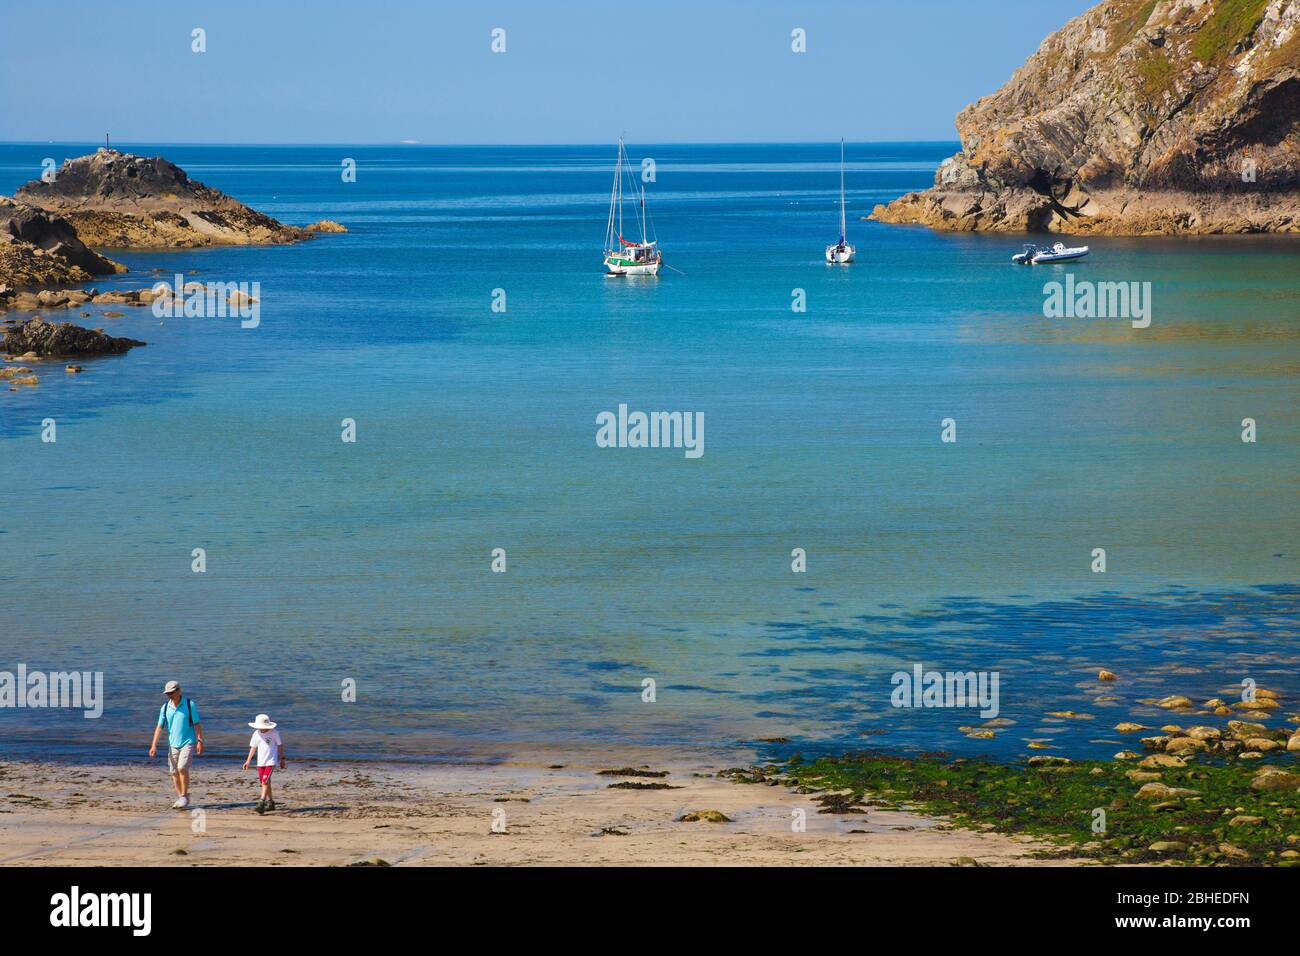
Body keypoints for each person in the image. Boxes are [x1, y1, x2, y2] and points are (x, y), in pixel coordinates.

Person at [148, 680, 204, 809]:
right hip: (173, 744)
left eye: (172, 693)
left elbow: (197, 724)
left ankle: (184, 796)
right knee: (174, 772)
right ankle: (181, 797)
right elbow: (159, 727)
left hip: (188, 742)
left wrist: (200, 740)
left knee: (182, 768)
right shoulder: (165, 708)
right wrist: (153, 745)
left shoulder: (190, 705)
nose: (170, 695)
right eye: (168, 693)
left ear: (179, 691)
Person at [242, 714, 286, 813]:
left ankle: (261, 802)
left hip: (270, 761)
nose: (260, 728)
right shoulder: (256, 734)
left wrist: (282, 759)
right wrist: (248, 761)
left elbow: (280, 746)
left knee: (265, 782)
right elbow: (253, 747)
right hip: (260, 762)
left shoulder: (274, 733)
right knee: (266, 782)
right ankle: (270, 803)